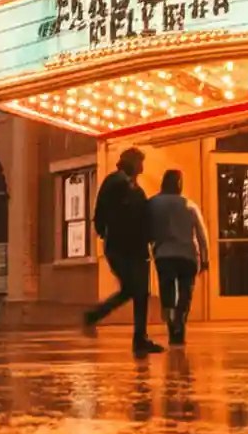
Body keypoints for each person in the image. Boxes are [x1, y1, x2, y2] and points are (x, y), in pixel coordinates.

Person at [85, 147, 165, 355]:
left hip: (133, 245)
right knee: (135, 289)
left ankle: (136, 335)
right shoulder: (119, 183)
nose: (143, 167)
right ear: (132, 162)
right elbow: (104, 212)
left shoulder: (128, 185)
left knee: (137, 290)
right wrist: (106, 233)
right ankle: (136, 336)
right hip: (124, 245)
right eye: (140, 162)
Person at [147, 169, 209, 347]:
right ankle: (179, 325)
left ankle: (171, 325)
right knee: (185, 294)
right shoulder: (189, 204)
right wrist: (205, 258)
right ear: (179, 184)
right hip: (187, 256)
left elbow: (147, 228)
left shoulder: (153, 204)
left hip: (164, 254)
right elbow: (201, 234)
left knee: (167, 293)